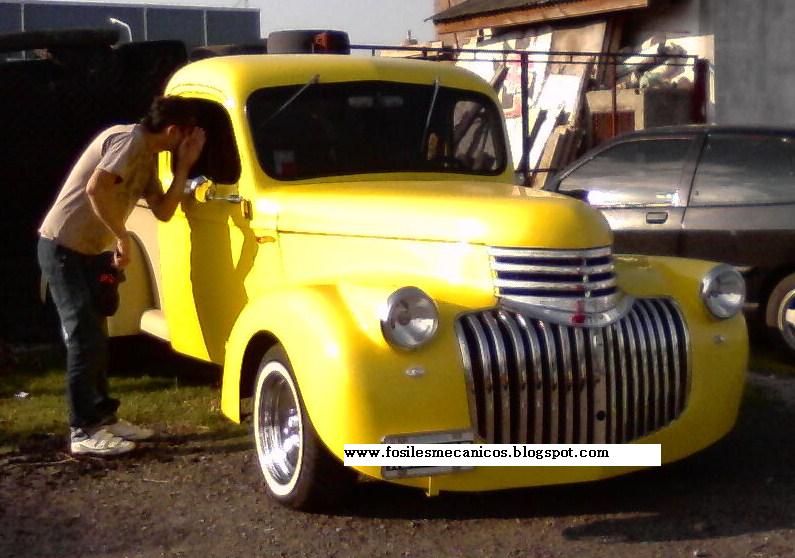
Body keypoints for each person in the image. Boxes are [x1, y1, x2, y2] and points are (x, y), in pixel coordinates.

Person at [38, 96, 206, 456]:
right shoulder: (128, 139)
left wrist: (183, 168)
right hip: (63, 247)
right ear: (173, 130)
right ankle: (82, 430)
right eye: (187, 137)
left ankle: (104, 417)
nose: (188, 143)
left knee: (97, 335)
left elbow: (162, 211)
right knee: (83, 336)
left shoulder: (149, 157)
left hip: (91, 251)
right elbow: (96, 188)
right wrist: (121, 236)